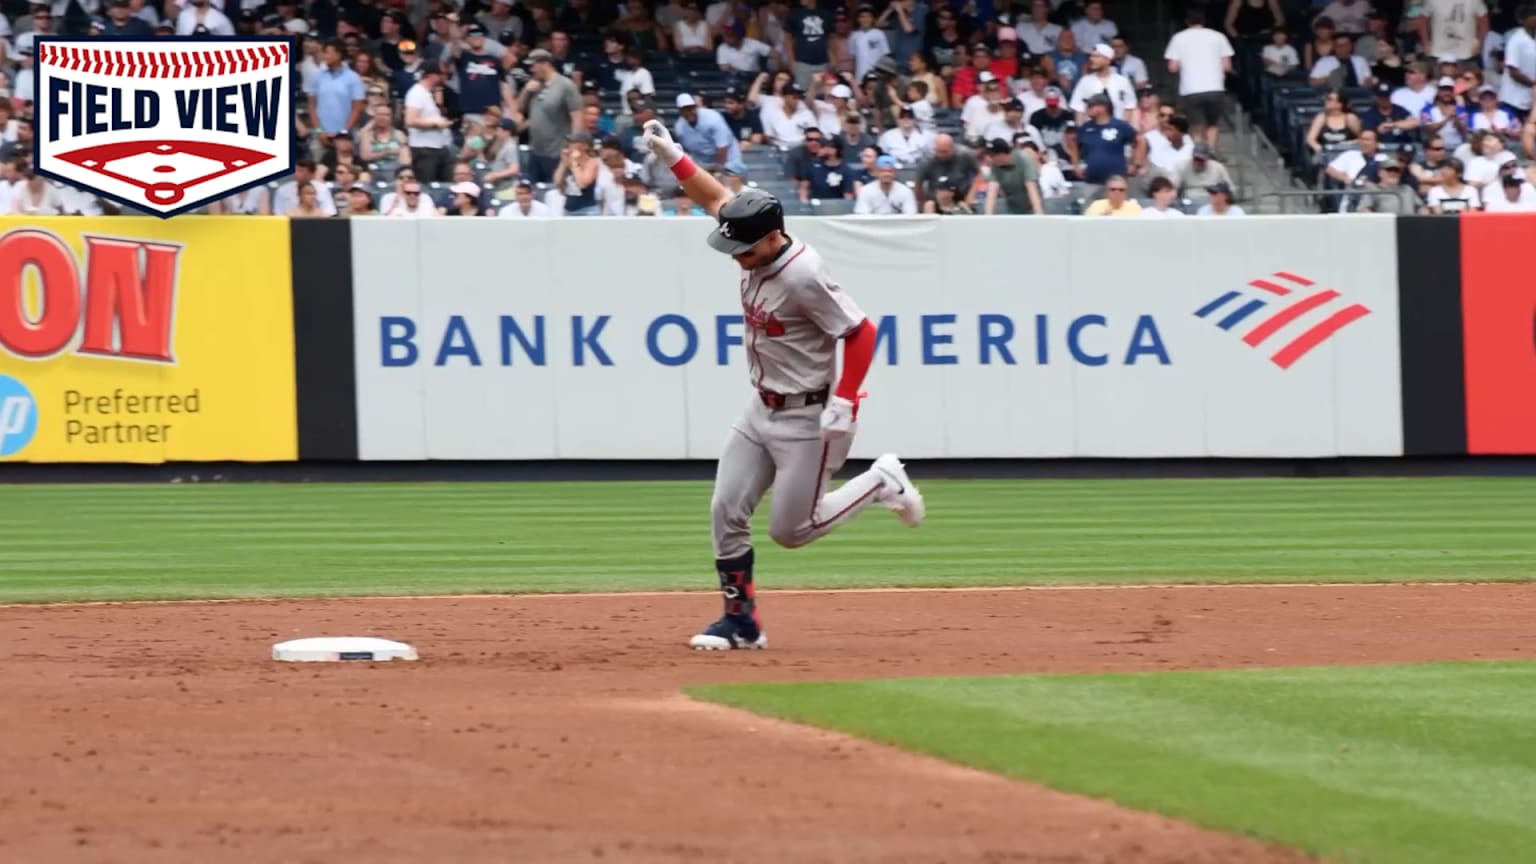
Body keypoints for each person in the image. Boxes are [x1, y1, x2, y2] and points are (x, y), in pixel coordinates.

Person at [636, 118, 926, 652]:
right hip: (759, 408)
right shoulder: (751, 230)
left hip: (806, 418)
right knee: (726, 511)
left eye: (744, 250)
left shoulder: (803, 274)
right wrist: (673, 156)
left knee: (791, 532)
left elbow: (861, 331)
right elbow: (716, 197)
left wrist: (844, 399)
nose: (736, 257)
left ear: (773, 237)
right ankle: (742, 624)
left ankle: (881, 480)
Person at [1164, 8, 1235, 152]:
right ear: (1204, 21)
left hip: (1191, 89)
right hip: (1215, 88)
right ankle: (1212, 152)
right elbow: (1227, 67)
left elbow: (1172, 67)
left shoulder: (1178, 38)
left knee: (1196, 126)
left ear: (1186, 22)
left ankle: (1199, 152)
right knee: (1213, 124)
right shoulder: (1218, 36)